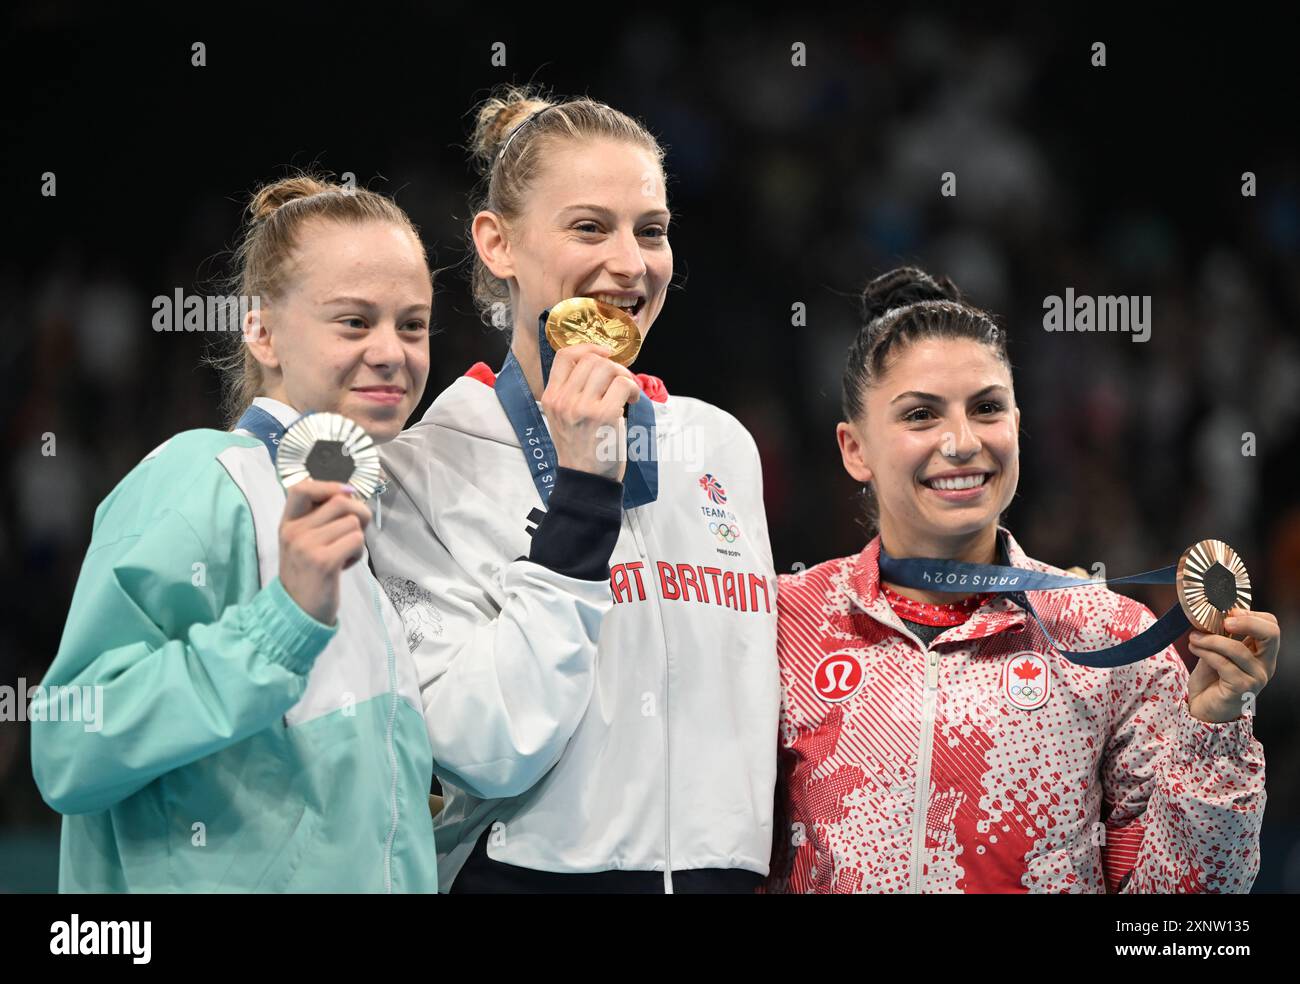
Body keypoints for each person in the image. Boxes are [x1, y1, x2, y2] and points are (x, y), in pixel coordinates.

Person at [368, 87, 779, 892]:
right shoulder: (419, 472)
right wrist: (584, 496)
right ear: (498, 244)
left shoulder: (722, 447)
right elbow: (482, 746)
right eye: (589, 227)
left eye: (650, 231)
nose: (630, 264)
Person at [766, 266, 1277, 893]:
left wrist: (1215, 733)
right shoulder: (781, 626)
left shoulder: (1108, 640)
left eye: (986, 408)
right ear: (855, 449)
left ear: (1016, 423)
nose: (960, 442)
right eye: (920, 415)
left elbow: (1181, 923)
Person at [30, 175, 441, 892]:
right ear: (261, 329)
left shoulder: (353, 539)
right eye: (353, 321)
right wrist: (279, 625)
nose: (391, 352)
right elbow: (68, 745)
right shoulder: (202, 477)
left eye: (412, 324)